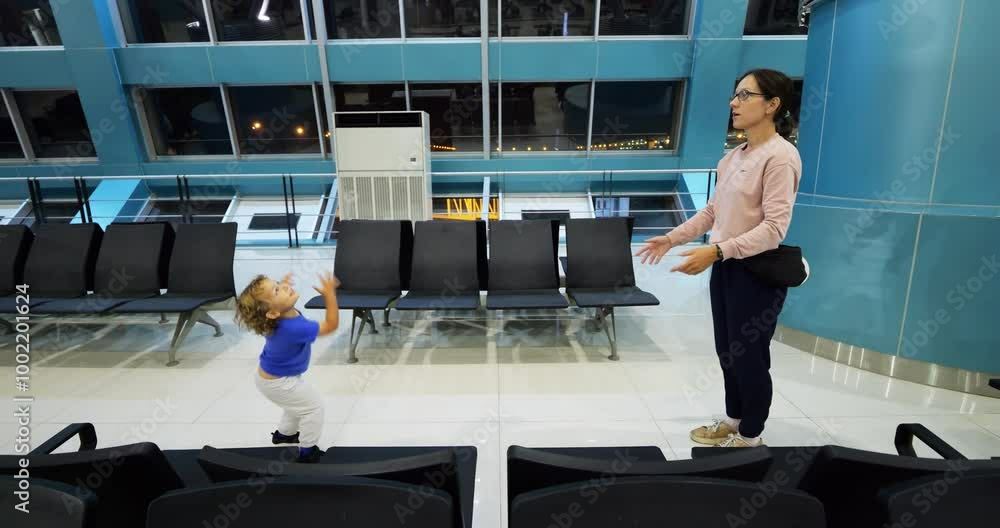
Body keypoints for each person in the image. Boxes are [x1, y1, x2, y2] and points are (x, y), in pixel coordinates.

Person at [636, 69, 802, 448]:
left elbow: (775, 228)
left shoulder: (781, 158)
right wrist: (671, 237)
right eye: (735, 94)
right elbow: (713, 212)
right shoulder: (733, 157)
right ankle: (734, 418)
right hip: (727, 267)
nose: (734, 103)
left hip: (757, 272)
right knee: (727, 350)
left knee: (750, 356)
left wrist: (716, 250)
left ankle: (751, 436)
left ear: (772, 104)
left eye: (745, 95)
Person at [234, 271, 340, 463]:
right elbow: (331, 325)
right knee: (313, 408)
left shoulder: (277, 316)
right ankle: (307, 451)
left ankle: (285, 435)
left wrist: (281, 287)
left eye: (277, 283)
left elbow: (277, 304)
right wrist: (330, 296)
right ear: (272, 312)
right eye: (277, 290)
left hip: (272, 378)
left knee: (295, 405)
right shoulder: (293, 328)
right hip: (279, 382)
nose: (284, 287)